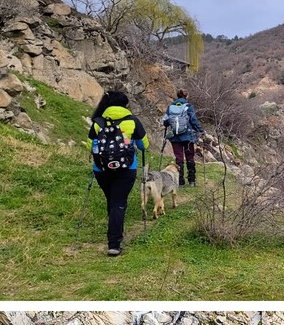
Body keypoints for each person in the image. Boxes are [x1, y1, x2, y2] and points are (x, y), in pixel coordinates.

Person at [86, 90, 148, 256]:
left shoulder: (98, 121)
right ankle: (114, 243)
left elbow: (90, 145)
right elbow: (144, 145)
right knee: (118, 203)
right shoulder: (133, 121)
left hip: (102, 169)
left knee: (112, 201)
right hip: (126, 169)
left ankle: (114, 232)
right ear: (125, 105)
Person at [163, 89, 204, 186]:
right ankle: (192, 181)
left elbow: (165, 122)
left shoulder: (170, 107)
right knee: (190, 157)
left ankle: (180, 182)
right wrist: (200, 130)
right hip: (188, 136)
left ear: (177, 96)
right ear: (187, 96)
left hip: (175, 137)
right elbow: (193, 120)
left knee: (179, 158)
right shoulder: (188, 106)